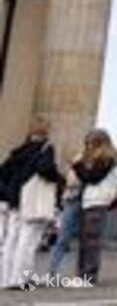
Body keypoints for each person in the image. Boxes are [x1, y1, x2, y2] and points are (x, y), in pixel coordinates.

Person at [0, 117, 64, 290]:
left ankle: (4, 278)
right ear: (46, 131)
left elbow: (2, 173)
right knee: (27, 241)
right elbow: (45, 169)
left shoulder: (18, 151)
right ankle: (21, 279)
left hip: (14, 201)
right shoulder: (46, 148)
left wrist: (10, 192)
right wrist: (58, 177)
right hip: (33, 202)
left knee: (11, 240)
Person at [74, 129, 117, 284]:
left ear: (99, 143)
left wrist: (78, 166)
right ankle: (82, 275)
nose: (87, 147)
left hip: (97, 201)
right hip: (89, 201)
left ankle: (88, 275)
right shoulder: (98, 159)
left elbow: (92, 178)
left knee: (91, 240)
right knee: (85, 240)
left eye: (90, 143)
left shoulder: (106, 159)